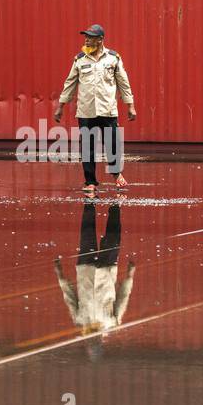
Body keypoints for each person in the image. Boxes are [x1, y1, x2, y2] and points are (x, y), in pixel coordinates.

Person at [53, 24, 136, 194]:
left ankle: (116, 173)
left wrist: (130, 106)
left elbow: (123, 83)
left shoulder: (113, 58)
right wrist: (60, 106)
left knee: (112, 145)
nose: (87, 39)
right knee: (87, 147)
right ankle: (90, 182)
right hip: (86, 111)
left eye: (90, 37)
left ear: (100, 40)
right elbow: (70, 83)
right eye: (86, 37)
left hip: (108, 110)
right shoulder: (80, 59)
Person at [55, 202, 135, 361]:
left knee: (87, 232)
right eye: (94, 343)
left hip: (85, 268)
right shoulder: (112, 323)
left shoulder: (79, 321)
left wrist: (60, 275)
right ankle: (115, 204)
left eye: (90, 343)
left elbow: (69, 297)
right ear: (100, 342)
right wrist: (130, 276)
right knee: (113, 236)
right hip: (106, 270)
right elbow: (123, 298)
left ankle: (89, 202)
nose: (92, 339)